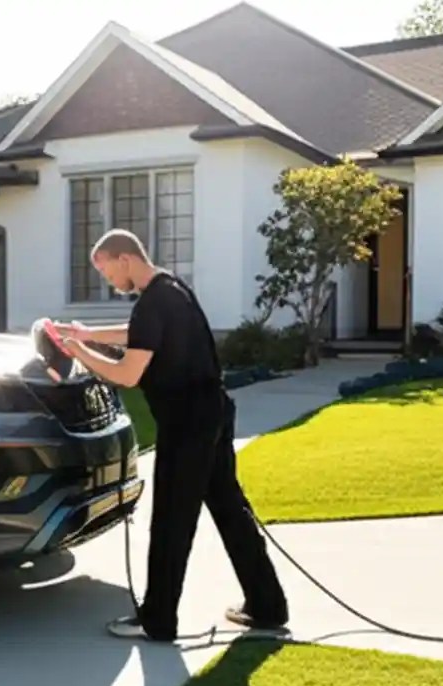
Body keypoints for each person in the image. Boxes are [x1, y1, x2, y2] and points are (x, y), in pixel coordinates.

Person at [54, 228, 289, 642]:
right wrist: (89, 335)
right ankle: (267, 605)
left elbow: (127, 374)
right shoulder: (171, 289)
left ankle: (158, 620)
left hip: (187, 424)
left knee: (170, 522)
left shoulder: (153, 302)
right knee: (230, 510)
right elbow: (139, 334)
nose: (109, 281)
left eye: (107, 272)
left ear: (124, 259)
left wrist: (79, 354)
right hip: (214, 412)